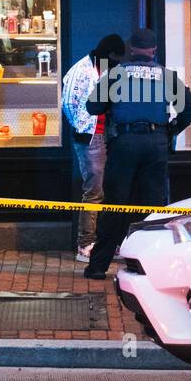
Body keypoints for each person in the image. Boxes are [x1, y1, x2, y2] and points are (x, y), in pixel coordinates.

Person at [82, 27, 191, 281]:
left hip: (125, 143)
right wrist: (169, 131)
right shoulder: (166, 77)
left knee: (115, 205)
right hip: (156, 144)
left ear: (131, 49)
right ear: (154, 50)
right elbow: (189, 110)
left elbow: (93, 106)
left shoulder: (117, 74)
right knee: (152, 207)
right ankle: (149, 267)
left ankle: (98, 267)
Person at [61, 33, 126, 262]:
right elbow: (68, 103)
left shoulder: (106, 69)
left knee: (107, 191)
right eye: (116, 58)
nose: (119, 62)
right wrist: (82, 127)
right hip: (90, 137)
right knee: (94, 192)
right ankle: (86, 244)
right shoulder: (82, 71)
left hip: (107, 136)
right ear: (109, 54)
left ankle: (103, 242)